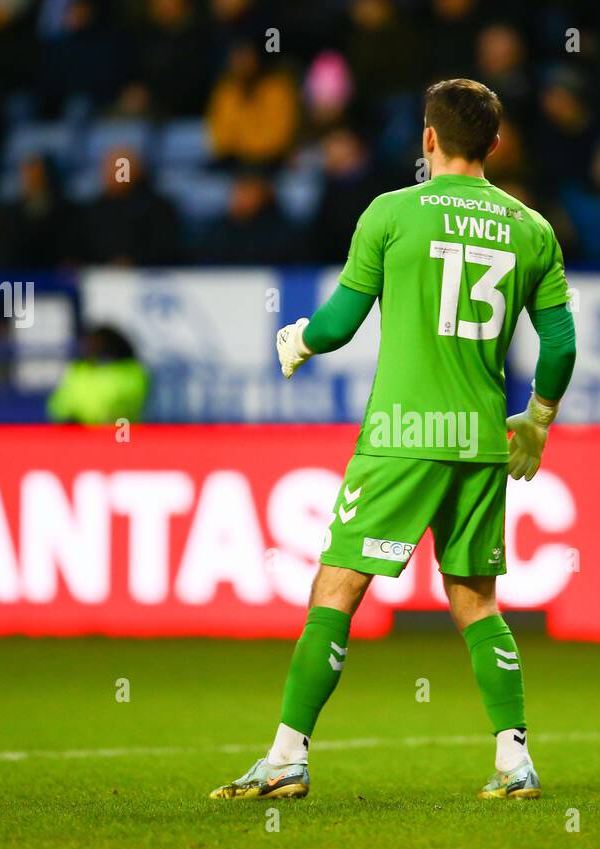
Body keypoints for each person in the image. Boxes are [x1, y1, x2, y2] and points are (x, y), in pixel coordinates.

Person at [210, 78, 576, 801]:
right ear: (496, 145)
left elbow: (341, 323)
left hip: (402, 436)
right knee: (477, 599)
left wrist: (299, 341)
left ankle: (286, 758)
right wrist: (536, 418)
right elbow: (560, 340)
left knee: (338, 586)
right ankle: (514, 762)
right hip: (480, 441)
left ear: (428, 139)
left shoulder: (391, 213)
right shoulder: (531, 227)